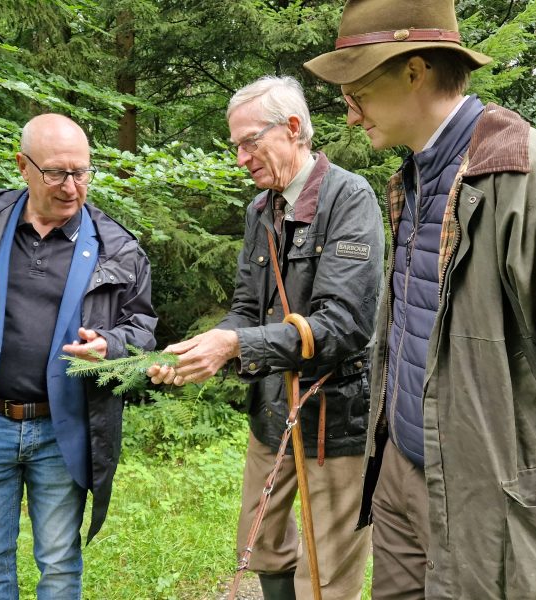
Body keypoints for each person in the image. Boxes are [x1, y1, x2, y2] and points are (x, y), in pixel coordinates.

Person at [304, 1, 536, 598]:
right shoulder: (414, 177)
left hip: (485, 501)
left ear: (414, 71)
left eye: (357, 91)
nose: (350, 112)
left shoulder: (527, 174)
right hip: (398, 475)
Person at [148, 76, 384, 600]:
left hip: (334, 418)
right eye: (236, 145)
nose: (240, 158)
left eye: (249, 142)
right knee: (262, 545)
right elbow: (244, 310)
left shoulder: (350, 198)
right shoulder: (261, 209)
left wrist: (237, 346)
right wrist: (205, 347)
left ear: (292, 128)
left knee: (326, 573)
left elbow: (344, 325)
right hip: (272, 409)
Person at [0, 113, 156, 599]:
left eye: (81, 172)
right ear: (23, 166)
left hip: (64, 431)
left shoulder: (117, 246)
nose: (71, 187)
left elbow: (142, 329)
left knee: (60, 564)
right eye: (57, 173)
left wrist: (111, 346)